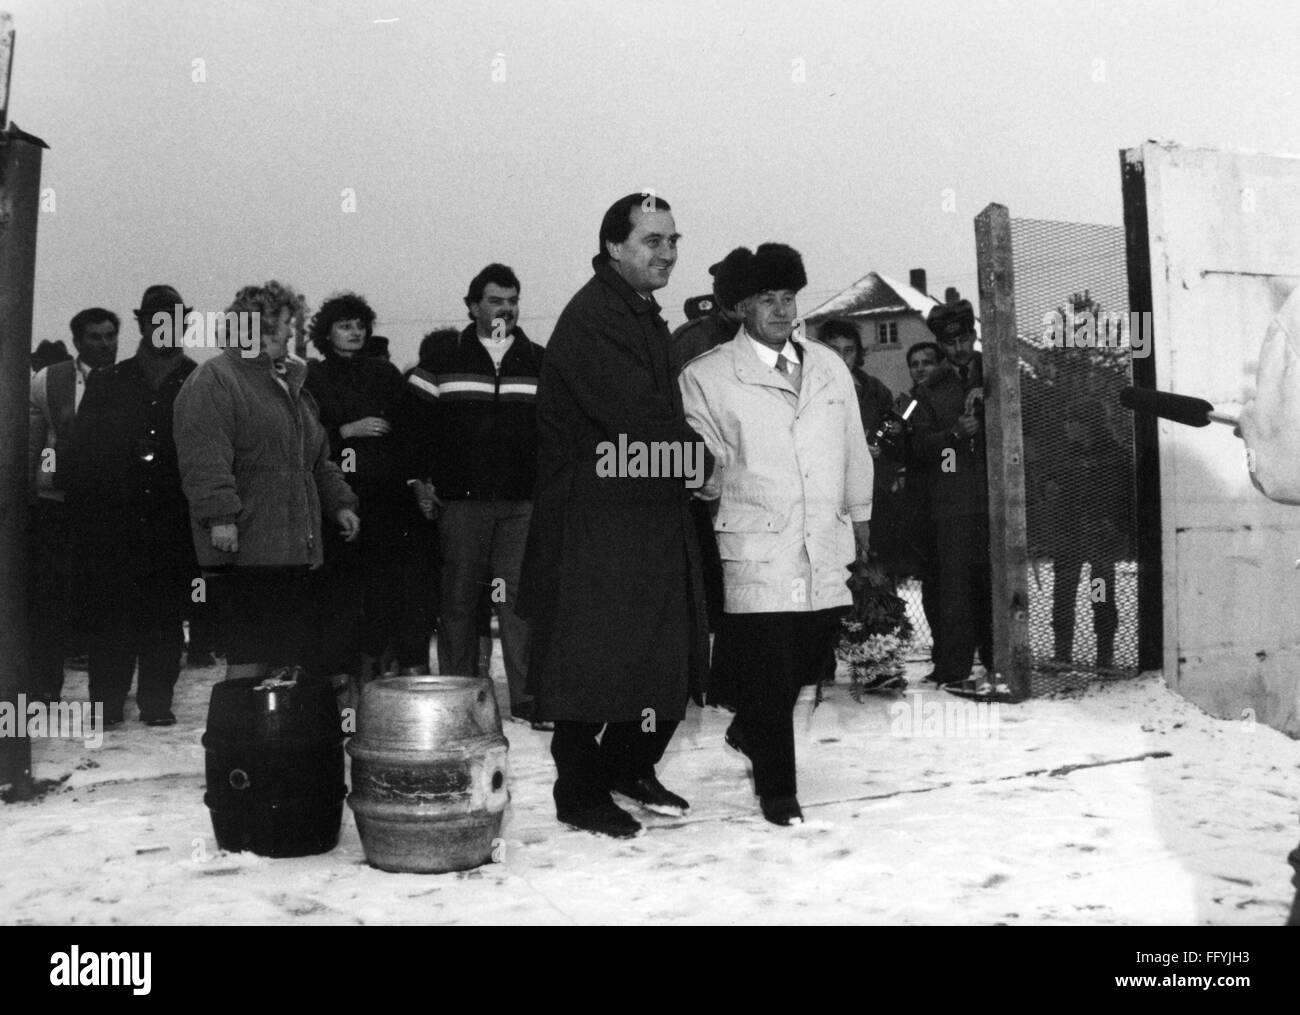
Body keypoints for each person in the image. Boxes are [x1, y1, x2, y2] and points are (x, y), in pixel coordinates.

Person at [518, 193, 709, 838]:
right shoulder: (595, 318)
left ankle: (628, 765)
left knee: (660, 649)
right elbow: (636, 419)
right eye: (653, 241)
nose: (668, 253)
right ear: (614, 248)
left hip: (643, 511)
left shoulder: (636, 311)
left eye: (673, 240)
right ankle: (578, 791)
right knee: (591, 657)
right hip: (594, 520)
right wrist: (700, 461)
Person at [681, 243, 872, 826]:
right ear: (742, 307)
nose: (783, 310)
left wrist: (861, 521)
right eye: (768, 300)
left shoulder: (829, 365)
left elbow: (853, 449)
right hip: (758, 542)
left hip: (824, 536)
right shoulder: (707, 376)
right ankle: (778, 790)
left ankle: (746, 728)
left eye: (789, 298)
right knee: (770, 665)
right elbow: (703, 467)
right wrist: (693, 471)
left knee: (810, 656)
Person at [174, 281, 360, 682]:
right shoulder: (215, 381)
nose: (292, 333)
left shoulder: (291, 385)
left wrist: (340, 503)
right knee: (250, 657)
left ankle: (278, 741)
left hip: (296, 548)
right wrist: (220, 516)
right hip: (246, 549)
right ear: (255, 328)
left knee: (290, 659)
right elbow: (204, 457)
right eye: (285, 324)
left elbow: (317, 458)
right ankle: (238, 740)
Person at [398, 265, 545, 726]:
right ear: (473, 306)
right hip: (461, 504)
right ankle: (458, 694)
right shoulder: (444, 360)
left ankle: (528, 697)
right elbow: (410, 430)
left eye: (512, 300)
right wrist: (418, 481)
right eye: (496, 300)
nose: (506, 308)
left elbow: (558, 431)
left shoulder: (540, 361)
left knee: (519, 602)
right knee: (458, 599)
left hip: (521, 504)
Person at [64, 288, 195, 726]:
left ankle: (157, 701)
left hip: (173, 525)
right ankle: (107, 703)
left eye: (174, 320)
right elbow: (80, 459)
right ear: (141, 324)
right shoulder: (110, 381)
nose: (165, 329)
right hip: (114, 527)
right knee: (112, 616)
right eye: (156, 320)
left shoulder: (200, 381)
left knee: (165, 617)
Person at [303, 294, 408, 691]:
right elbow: (303, 440)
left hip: (383, 499)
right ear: (326, 332)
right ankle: (339, 682)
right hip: (335, 502)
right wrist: (347, 431)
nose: (355, 333)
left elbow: (406, 430)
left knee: (383, 593)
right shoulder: (313, 378)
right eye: (345, 325)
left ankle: (374, 672)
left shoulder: (384, 374)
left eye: (360, 325)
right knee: (338, 596)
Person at [27, 308, 120, 703]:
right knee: (50, 598)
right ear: (78, 340)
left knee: (104, 600)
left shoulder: (128, 379)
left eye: (110, 336)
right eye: (95, 337)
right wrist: (42, 477)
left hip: (106, 507)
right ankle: (46, 686)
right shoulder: (50, 379)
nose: (104, 344)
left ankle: (107, 696)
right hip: (58, 504)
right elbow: (38, 439)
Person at [909, 299, 993, 688]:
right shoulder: (929, 391)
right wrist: (955, 438)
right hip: (954, 504)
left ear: (975, 336)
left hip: (996, 500)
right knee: (956, 590)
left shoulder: (997, 373)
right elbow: (923, 450)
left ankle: (999, 658)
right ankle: (955, 667)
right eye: (950, 342)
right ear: (941, 345)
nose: (959, 348)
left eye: (965, 339)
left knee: (994, 584)